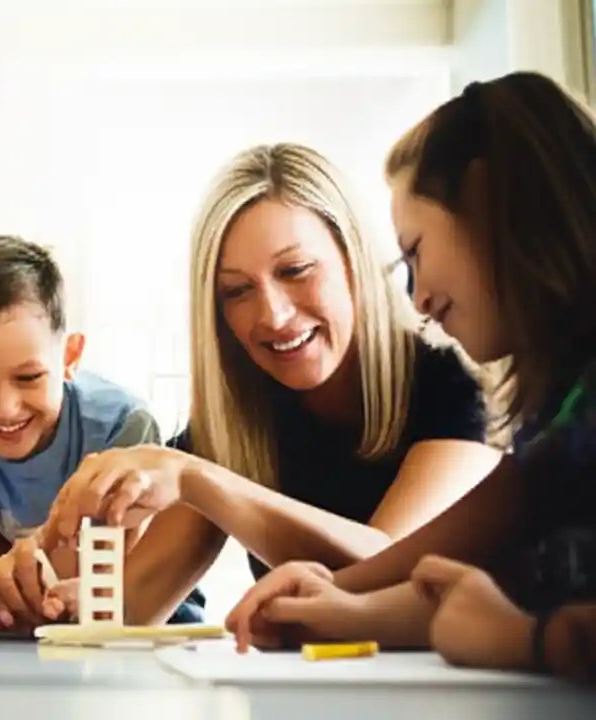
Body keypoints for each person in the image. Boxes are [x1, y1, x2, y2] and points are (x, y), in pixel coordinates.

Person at [225, 73, 596, 684]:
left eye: (416, 251)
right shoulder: (558, 421)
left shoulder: (470, 394)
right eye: (236, 292)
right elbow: (484, 540)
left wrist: (527, 639)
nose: (418, 298)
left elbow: (505, 594)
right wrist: (338, 601)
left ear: (486, 204)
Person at [34, 143, 499, 628]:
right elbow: (127, 612)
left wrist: (197, 479)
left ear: (353, 259)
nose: (273, 316)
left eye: (295, 271)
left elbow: (389, 569)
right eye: (237, 291)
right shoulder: (240, 418)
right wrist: (38, 594)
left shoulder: (453, 381)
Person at [0, 235, 205, 631]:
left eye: (29, 377)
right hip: (36, 620)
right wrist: (4, 595)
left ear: (70, 356)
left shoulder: (123, 423)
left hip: (148, 610)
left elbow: (119, 572)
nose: (6, 408)